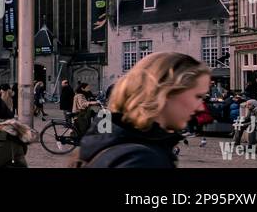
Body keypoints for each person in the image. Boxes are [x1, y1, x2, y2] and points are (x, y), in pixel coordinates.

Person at [74, 52, 211, 168]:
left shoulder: (115, 141)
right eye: (197, 96)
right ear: (166, 93)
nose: (200, 107)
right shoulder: (142, 159)